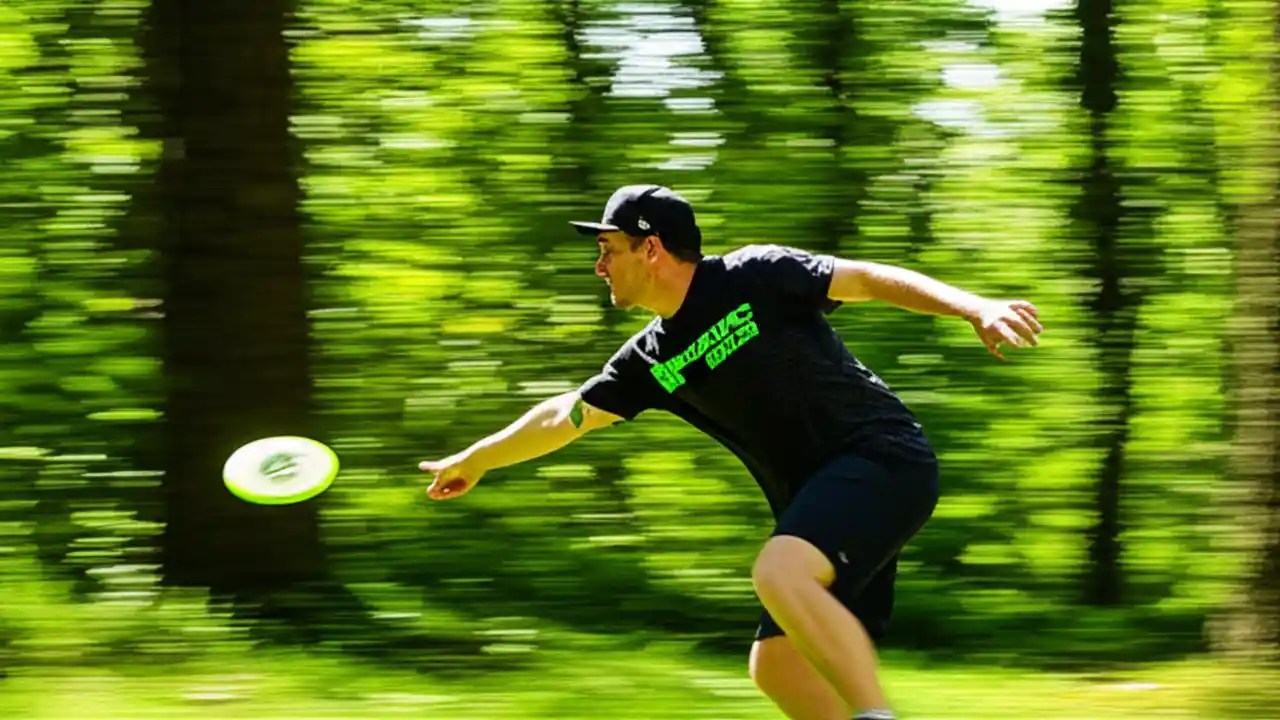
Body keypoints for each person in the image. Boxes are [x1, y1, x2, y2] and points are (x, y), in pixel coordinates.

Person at [419, 185, 1042, 720]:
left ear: (651, 248)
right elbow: (568, 414)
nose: (599, 267)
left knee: (778, 574)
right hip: (825, 497)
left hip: (883, 459)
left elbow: (868, 278)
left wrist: (975, 307)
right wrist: (478, 457)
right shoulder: (652, 359)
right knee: (775, 664)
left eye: (607, 250)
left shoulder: (755, 276)